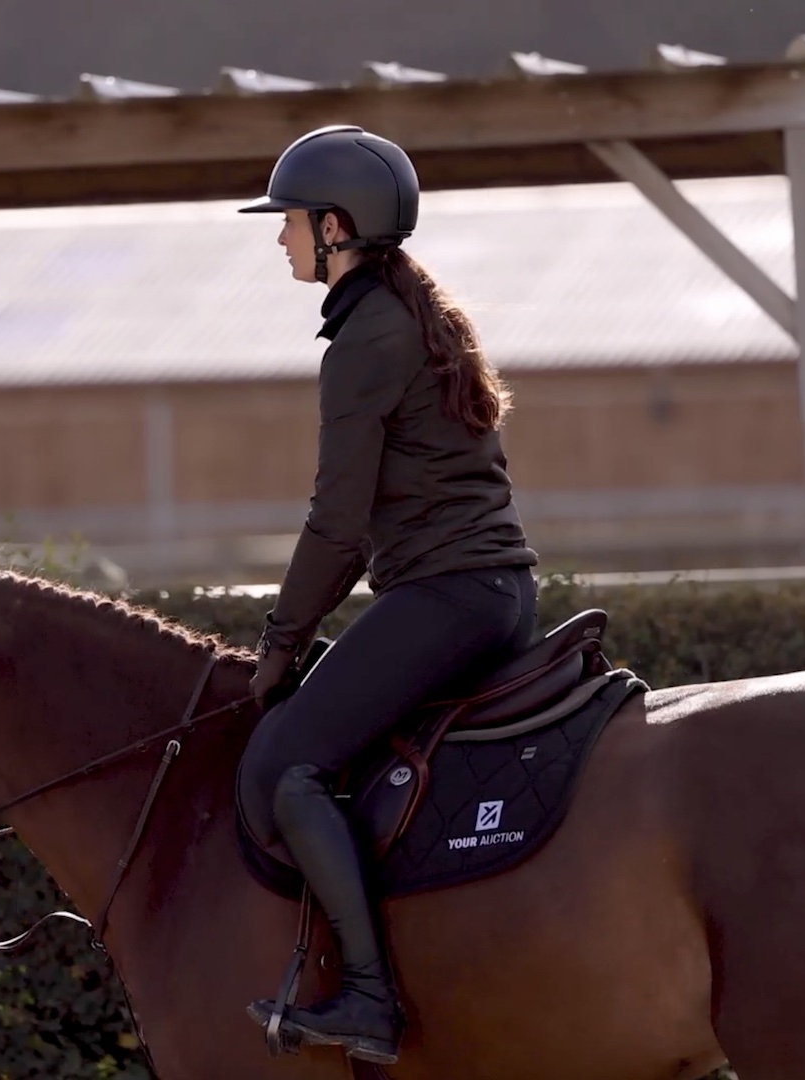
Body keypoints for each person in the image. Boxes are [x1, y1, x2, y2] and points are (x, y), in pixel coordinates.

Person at [234, 125, 541, 1065]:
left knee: (284, 766)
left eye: (288, 222)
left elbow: (336, 525)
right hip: (485, 591)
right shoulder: (411, 313)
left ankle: (369, 999)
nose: (278, 238)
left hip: (447, 596)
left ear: (335, 227)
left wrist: (280, 644)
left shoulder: (366, 335)